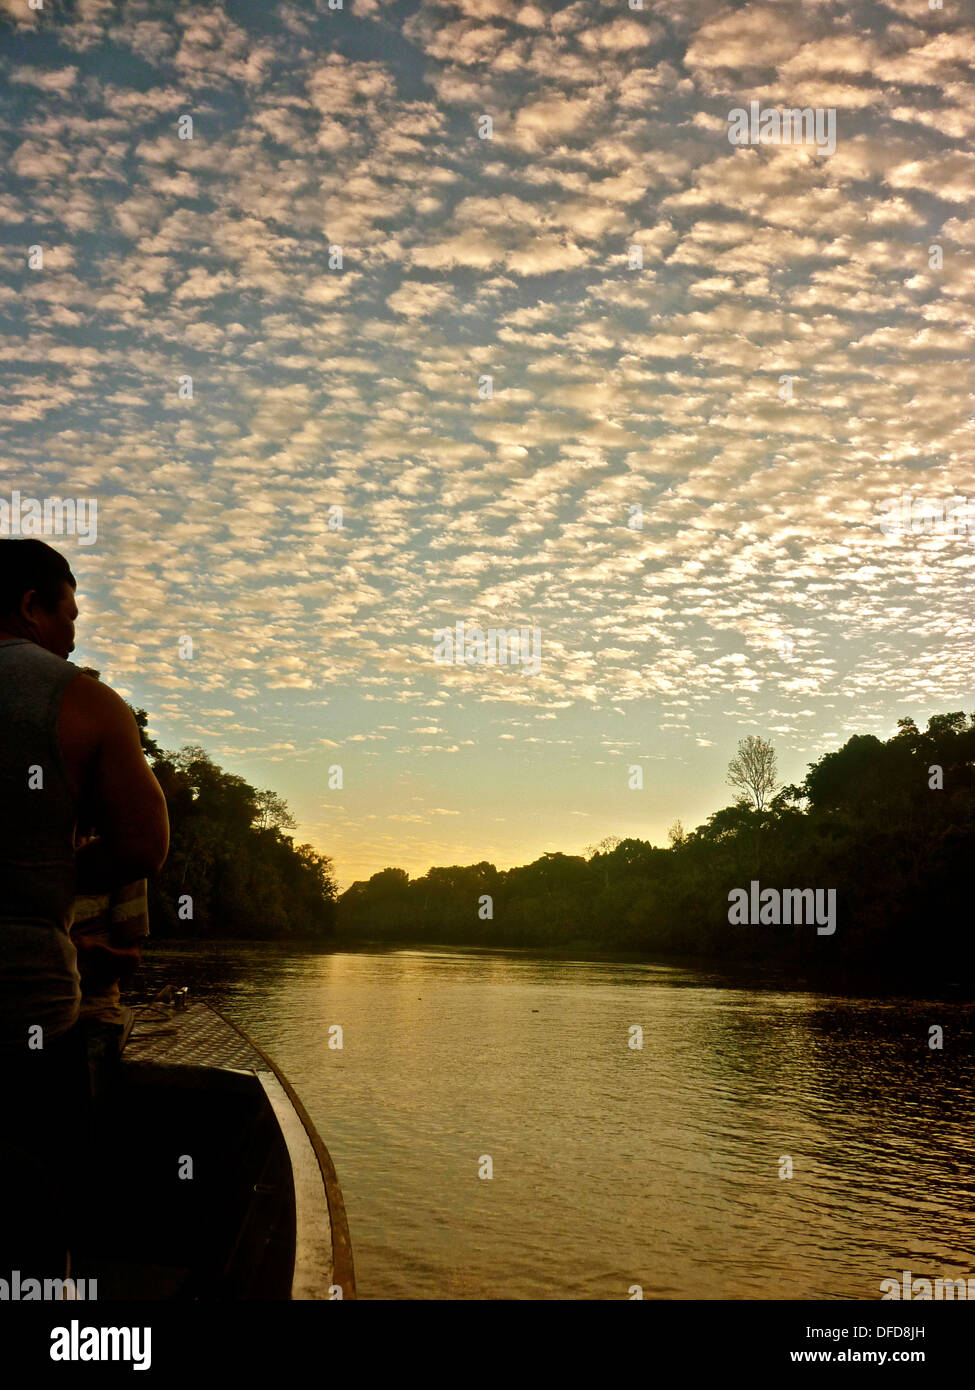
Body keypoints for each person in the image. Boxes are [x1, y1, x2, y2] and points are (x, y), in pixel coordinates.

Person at [0, 538, 169, 1274]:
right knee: (31, 1220)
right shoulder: (82, 699)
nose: (74, 631)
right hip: (22, 1012)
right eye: (70, 611)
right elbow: (142, 844)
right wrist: (52, 875)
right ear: (33, 607)